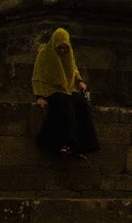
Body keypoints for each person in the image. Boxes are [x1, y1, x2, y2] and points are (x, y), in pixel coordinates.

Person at [33, 28, 100, 156]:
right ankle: (68, 142)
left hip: (68, 88)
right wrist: (40, 96)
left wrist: (79, 81)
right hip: (51, 90)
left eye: (65, 48)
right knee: (64, 103)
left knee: (82, 104)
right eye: (60, 48)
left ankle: (86, 144)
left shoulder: (69, 54)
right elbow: (38, 77)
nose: (62, 51)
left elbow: (73, 69)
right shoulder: (45, 55)